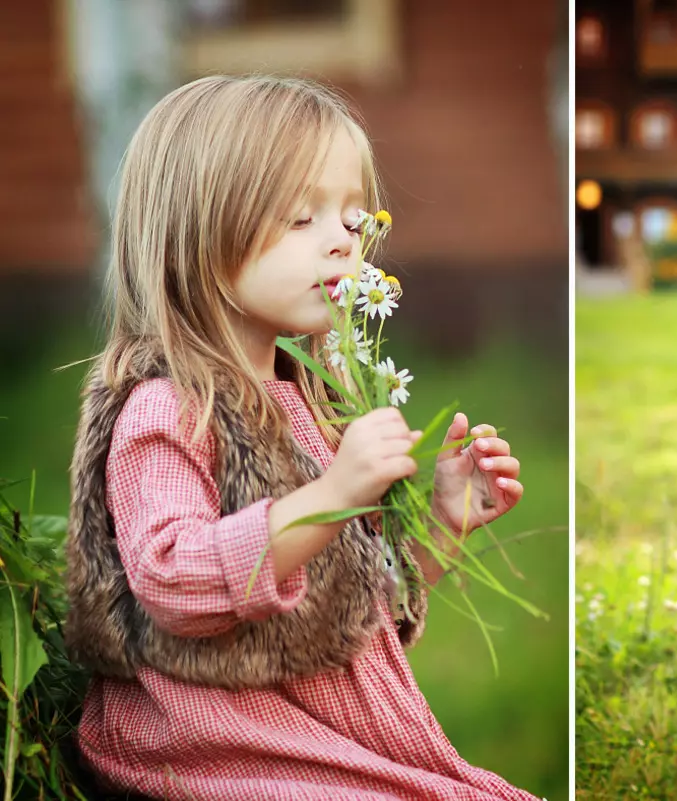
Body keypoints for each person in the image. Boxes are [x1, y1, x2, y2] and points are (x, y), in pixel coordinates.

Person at [64, 75, 539, 800]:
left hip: (318, 734)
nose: (345, 239)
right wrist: (334, 495)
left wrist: (441, 526)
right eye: (300, 217)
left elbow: (350, 612)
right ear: (198, 234)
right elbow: (171, 579)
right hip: (217, 751)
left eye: (353, 216)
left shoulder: (312, 403)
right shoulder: (169, 408)